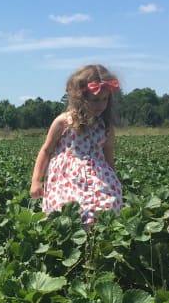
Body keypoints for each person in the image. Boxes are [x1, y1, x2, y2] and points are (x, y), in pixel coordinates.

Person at [30, 64, 122, 226]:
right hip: (66, 178)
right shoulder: (64, 122)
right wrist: (36, 181)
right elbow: (46, 151)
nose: (101, 105)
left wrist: (115, 181)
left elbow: (108, 157)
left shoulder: (105, 127)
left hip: (100, 177)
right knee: (67, 213)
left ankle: (95, 239)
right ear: (80, 98)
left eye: (105, 99)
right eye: (95, 100)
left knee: (104, 210)